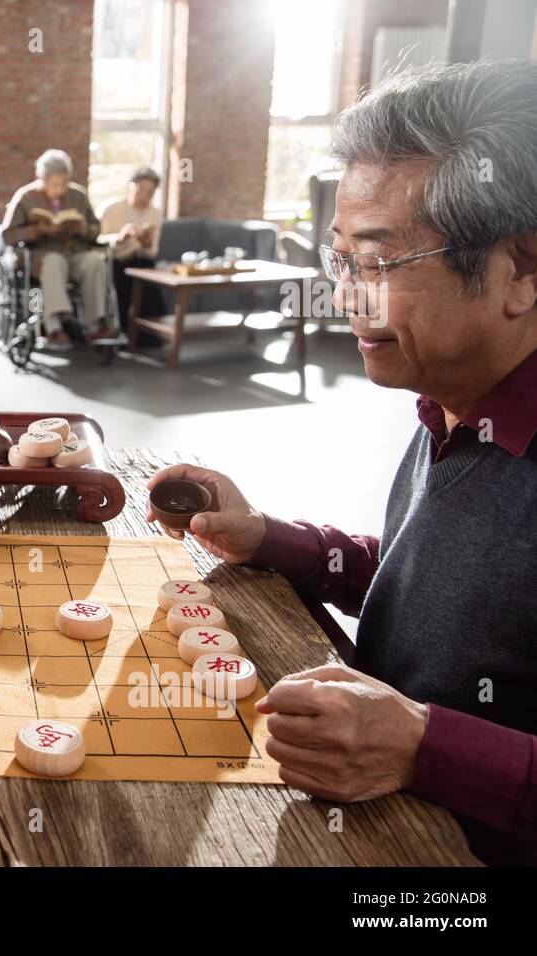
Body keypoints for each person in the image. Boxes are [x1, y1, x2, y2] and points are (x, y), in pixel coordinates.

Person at [147, 60, 537, 865]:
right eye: (340, 263)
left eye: (379, 266)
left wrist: (426, 748)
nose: (345, 300)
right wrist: (266, 539)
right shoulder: (452, 407)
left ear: (521, 268)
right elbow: (431, 592)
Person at [0, 149, 114, 347]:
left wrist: (83, 228)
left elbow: (96, 229)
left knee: (95, 262)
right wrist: (36, 230)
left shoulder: (78, 196)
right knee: (54, 261)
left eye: (64, 183)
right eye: (55, 184)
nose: (60, 189)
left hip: (74, 252)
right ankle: (55, 326)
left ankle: (95, 325)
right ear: (41, 179)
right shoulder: (25, 198)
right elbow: (8, 235)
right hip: (41, 257)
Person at [99, 166, 165, 325]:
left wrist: (146, 243)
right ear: (131, 185)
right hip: (117, 260)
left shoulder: (155, 214)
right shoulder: (111, 209)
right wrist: (118, 239)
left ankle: (149, 335)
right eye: (141, 189)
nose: (144, 195)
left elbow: (153, 251)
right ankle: (122, 330)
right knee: (121, 281)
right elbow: (97, 240)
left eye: (150, 191)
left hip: (142, 261)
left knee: (150, 285)